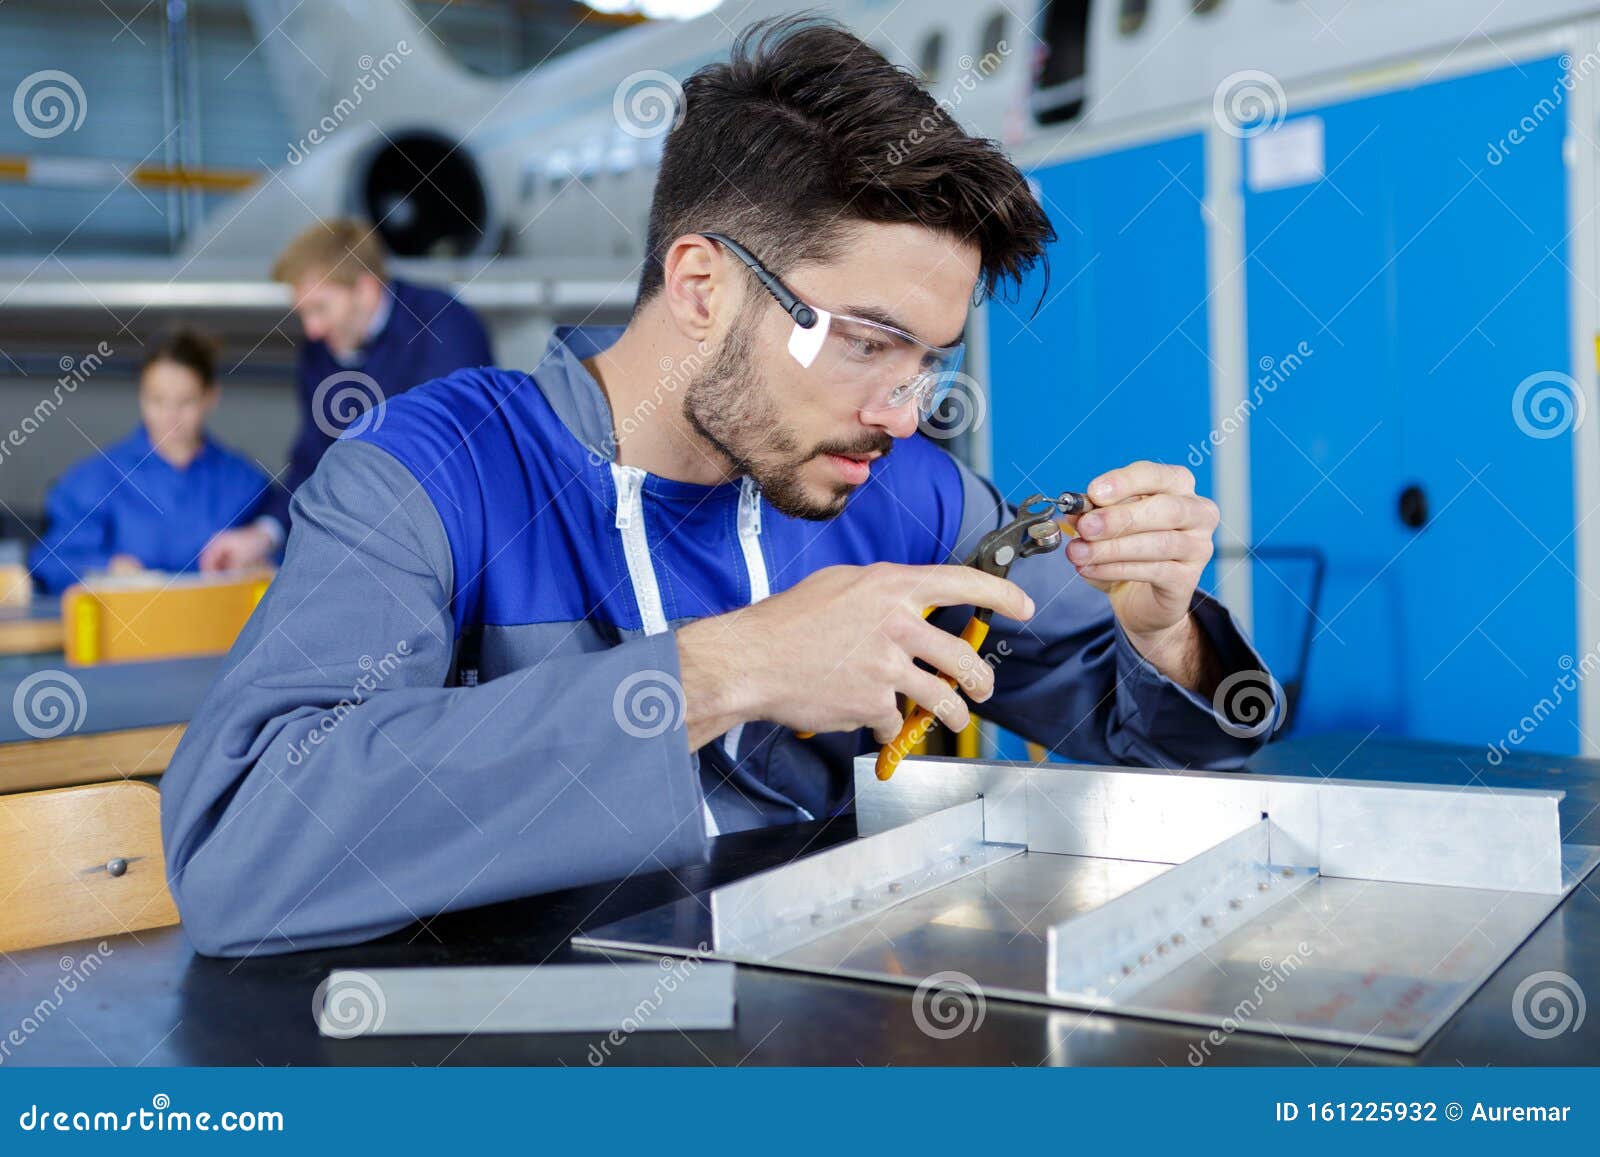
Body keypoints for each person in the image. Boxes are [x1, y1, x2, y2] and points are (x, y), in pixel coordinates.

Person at [162, 19, 1281, 958]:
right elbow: (239, 854)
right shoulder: (434, 478)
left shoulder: (911, 498)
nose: (906, 409)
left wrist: (1165, 633)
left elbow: (1168, 740)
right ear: (701, 285)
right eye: (867, 343)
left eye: (929, 359)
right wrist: (727, 666)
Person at [197, 218, 492, 571]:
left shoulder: (444, 325)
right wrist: (263, 534)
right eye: (304, 313)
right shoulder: (318, 351)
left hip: (460, 547)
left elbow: (452, 452)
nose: (312, 328)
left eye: (320, 308)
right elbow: (315, 459)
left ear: (366, 291)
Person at [30, 329, 273, 594]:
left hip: (224, 633)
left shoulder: (244, 482)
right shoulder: (96, 480)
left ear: (210, 397)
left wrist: (259, 560)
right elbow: (50, 562)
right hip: (125, 631)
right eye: (157, 400)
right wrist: (106, 567)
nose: (170, 416)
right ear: (140, 396)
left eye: (185, 401)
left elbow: (287, 557)